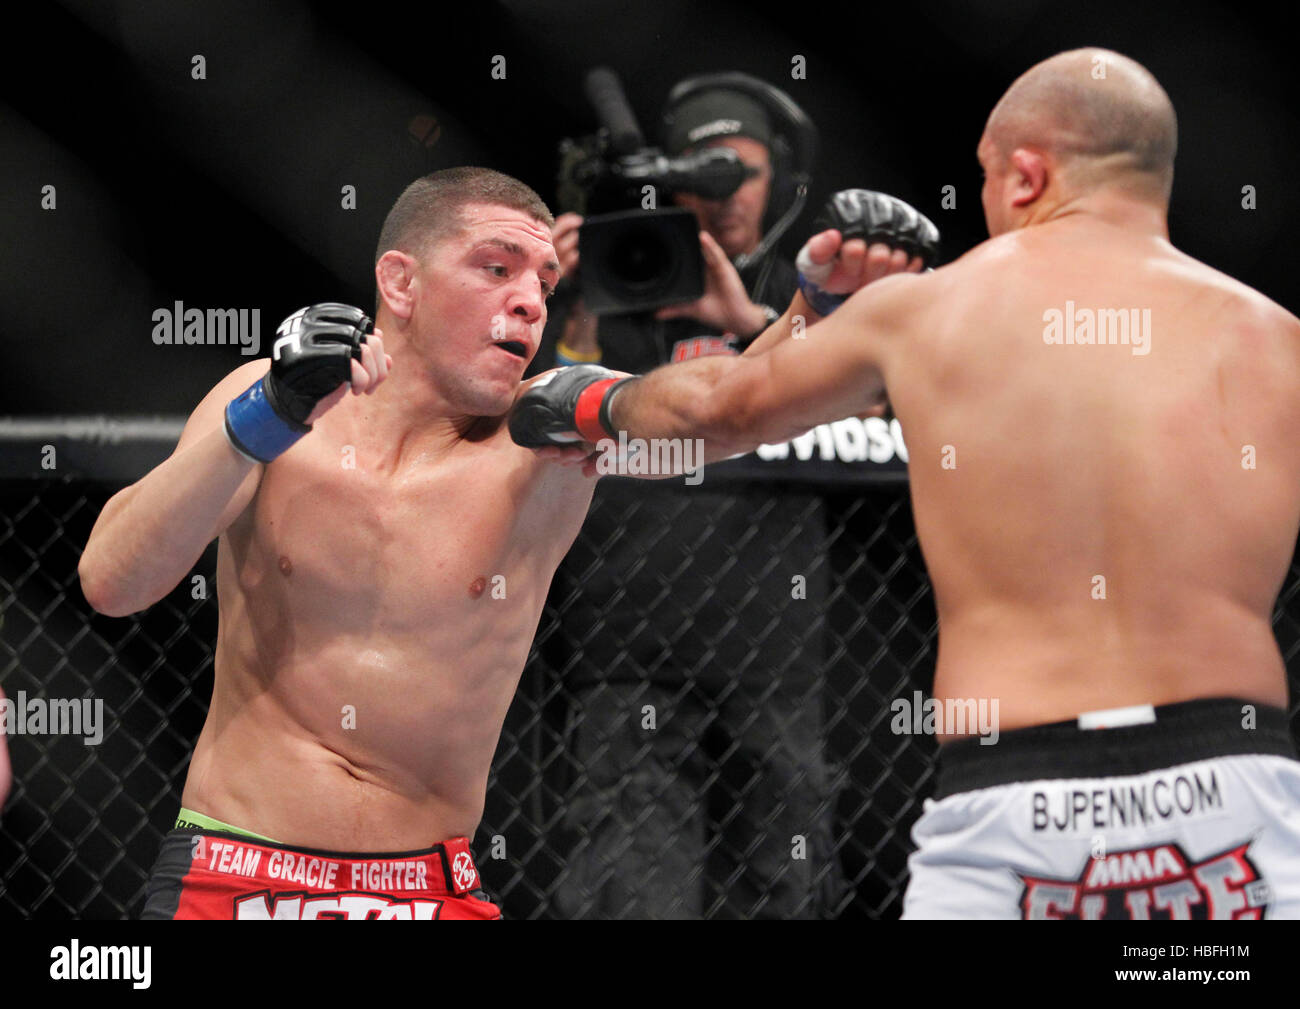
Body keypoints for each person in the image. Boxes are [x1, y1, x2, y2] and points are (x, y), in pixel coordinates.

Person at [512, 49, 1300, 919]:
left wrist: (587, 399)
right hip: (1234, 787)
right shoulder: (1278, 341)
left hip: (1014, 800)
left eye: (991, 181)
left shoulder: (927, 312)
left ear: (1027, 174)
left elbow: (718, 410)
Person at [79, 168, 606, 919]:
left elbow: (720, 409)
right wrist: (266, 417)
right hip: (233, 873)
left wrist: (802, 315)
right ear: (401, 282)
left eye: (545, 283)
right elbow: (111, 581)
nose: (529, 299)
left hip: (429, 890)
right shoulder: (266, 402)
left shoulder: (547, 442)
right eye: (497, 268)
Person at [533, 78, 843, 919]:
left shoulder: (801, 295)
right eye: (708, 176)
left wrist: (749, 320)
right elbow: (530, 414)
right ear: (672, 184)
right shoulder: (612, 268)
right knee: (629, 897)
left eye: (742, 172)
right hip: (624, 646)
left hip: (770, 653)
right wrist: (567, 299)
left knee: (782, 891)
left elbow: (876, 401)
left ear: (777, 181)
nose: (729, 194)